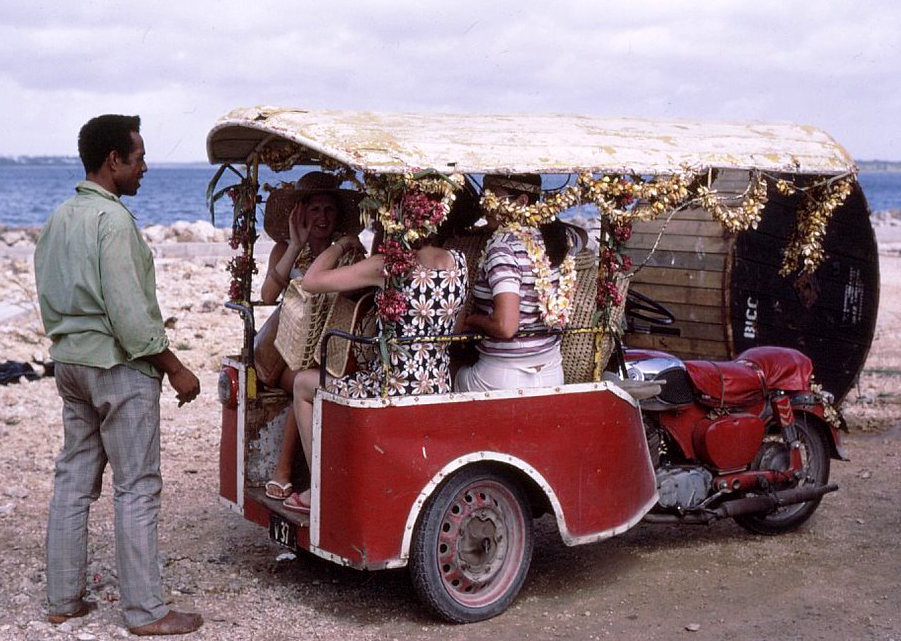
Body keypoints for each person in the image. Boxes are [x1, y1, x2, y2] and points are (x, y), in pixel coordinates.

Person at [34, 115, 203, 636]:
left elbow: (48, 296)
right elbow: (131, 318)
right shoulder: (113, 221)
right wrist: (176, 368)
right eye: (139, 158)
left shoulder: (59, 218)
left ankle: (63, 600)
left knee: (73, 481)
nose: (145, 167)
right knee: (137, 488)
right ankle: (146, 612)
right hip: (116, 369)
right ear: (114, 161)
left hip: (70, 364)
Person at [282, 229, 468, 513]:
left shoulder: (388, 266)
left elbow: (311, 281)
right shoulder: (459, 262)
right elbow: (456, 328)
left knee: (303, 384)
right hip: (436, 383)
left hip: (391, 388)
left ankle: (321, 488)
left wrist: (342, 243)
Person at [257, 172, 363, 501]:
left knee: (316, 375)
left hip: (330, 348)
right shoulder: (285, 250)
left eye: (329, 210)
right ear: (300, 212)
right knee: (303, 379)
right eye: (314, 209)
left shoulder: (348, 254)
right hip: (288, 352)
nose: (322, 217)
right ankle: (283, 471)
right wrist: (295, 244)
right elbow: (267, 295)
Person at [454, 174, 585, 392]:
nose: (484, 205)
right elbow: (582, 235)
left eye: (493, 197)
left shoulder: (502, 248)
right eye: (484, 196)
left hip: (501, 376)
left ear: (522, 201)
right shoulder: (559, 238)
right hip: (552, 373)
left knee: (451, 371)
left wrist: (473, 320)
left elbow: (506, 327)